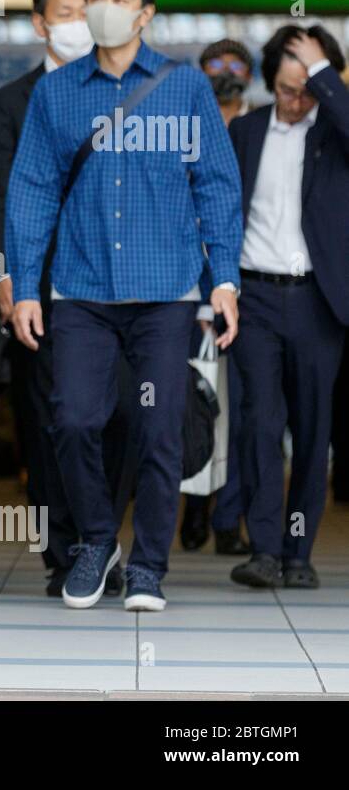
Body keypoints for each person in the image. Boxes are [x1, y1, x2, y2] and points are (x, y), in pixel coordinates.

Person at [6, 0, 242, 612]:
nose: (101, 9)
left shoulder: (186, 87)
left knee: (159, 427)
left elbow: (217, 186)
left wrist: (224, 279)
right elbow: (30, 190)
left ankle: (148, 570)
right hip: (81, 291)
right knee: (74, 420)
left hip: (166, 293)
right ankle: (98, 540)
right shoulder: (57, 92)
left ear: (145, 11)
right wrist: (25, 284)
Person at [0, 0, 115, 596]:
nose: (79, 25)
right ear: (39, 23)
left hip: (118, 286)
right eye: (65, 13)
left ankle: (105, 539)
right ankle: (67, 550)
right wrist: (9, 278)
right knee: (49, 417)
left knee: (113, 418)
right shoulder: (13, 102)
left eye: (86, 11)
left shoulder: (126, 92)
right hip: (42, 289)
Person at [227, 26, 349, 590]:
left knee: (312, 428)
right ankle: (266, 550)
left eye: (307, 91)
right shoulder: (247, 131)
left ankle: (299, 552)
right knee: (259, 424)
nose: (295, 103)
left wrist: (326, 78)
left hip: (317, 303)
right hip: (253, 297)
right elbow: (222, 212)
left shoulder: (334, 132)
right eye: (285, 89)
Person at [180, 38, 259, 556]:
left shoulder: (263, 129)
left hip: (264, 286)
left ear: (250, 74)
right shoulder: (184, 128)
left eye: (235, 64)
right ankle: (194, 512)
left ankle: (231, 518)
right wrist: (206, 299)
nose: (225, 72)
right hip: (198, 290)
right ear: (200, 71)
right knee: (200, 402)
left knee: (251, 414)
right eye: (215, 64)